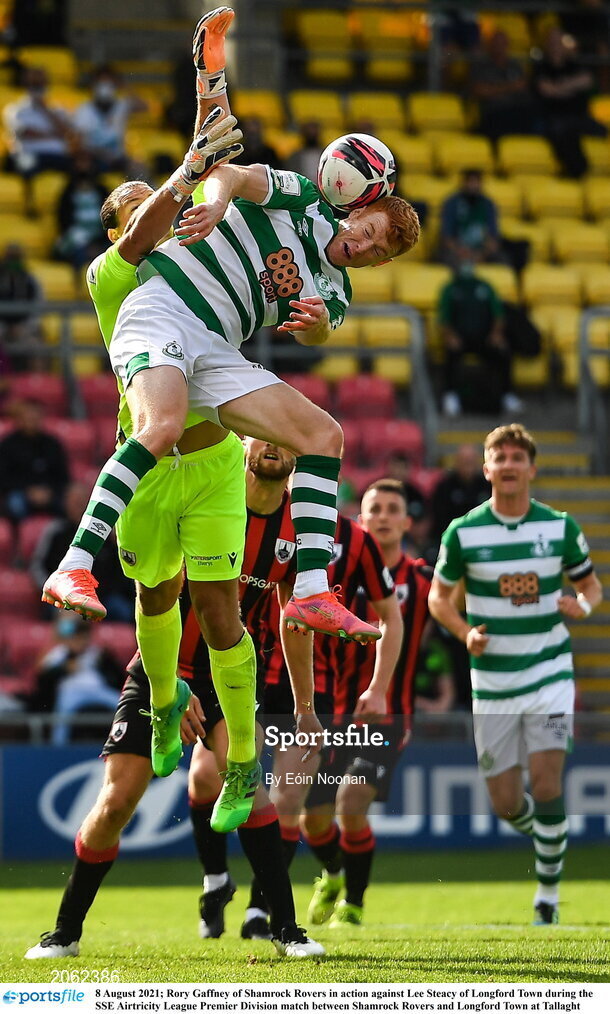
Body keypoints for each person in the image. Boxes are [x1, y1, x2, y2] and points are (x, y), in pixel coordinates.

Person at [42, 10, 419, 665]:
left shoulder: (337, 291)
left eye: (379, 249)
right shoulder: (302, 197)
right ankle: (74, 564)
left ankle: (309, 589)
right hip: (163, 308)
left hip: (216, 344)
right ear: (356, 207)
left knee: (323, 434)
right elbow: (230, 170)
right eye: (370, 227)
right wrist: (215, 197)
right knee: (157, 428)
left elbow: (324, 331)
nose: (365, 244)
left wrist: (315, 329)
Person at [45, 8, 260, 829]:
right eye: (135, 209)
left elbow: (212, 172)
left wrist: (208, 78)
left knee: (220, 612)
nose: (154, 216)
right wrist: (178, 173)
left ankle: (241, 761)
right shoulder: (111, 276)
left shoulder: (194, 261)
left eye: (155, 205)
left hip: (209, 465)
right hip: (143, 468)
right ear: (114, 230)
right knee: (155, 593)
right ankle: (166, 703)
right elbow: (149, 220)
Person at [24, 438, 324, 961]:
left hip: (227, 673)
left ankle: (286, 931)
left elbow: (294, 622)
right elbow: (157, 598)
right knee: (118, 801)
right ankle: (65, 933)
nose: (273, 442)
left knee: (246, 780)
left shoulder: (298, 531)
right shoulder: (205, 491)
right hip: (160, 668)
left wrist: (305, 706)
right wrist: (170, 687)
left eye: (284, 435)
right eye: (260, 433)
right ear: (242, 445)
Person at [428, 423, 602, 925]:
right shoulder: (463, 531)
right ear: (486, 469)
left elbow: (592, 588)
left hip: (549, 671)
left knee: (546, 784)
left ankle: (547, 895)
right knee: (506, 803)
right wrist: (464, 633)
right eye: (498, 457)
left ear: (531, 468)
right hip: (492, 680)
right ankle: (552, 835)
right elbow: (439, 598)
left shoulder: (560, 526)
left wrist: (581, 606)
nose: (507, 465)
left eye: (516, 457)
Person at [303, 479, 432, 927]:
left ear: (406, 521)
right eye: (373, 507)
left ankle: (353, 904)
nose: (382, 515)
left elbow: (454, 607)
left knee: (352, 800)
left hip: (387, 714)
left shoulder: (421, 580)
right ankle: (334, 874)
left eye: (392, 508)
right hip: (331, 711)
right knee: (312, 820)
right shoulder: (336, 578)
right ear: (360, 518)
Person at [30, 481, 134, 623]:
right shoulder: (56, 532)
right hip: (63, 597)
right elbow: (38, 566)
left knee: (127, 610)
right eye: (74, 501)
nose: (78, 505)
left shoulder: (103, 533)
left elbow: (118, 571)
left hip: (104, 597)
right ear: (65, 502)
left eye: (81, 501)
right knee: (67, 620)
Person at [438, 261, 522, 418]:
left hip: (484, 337)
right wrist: (450, 336)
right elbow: (444, 319)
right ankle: (450, 396)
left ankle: (506, 395)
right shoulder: (450, 288)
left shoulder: (485, 286)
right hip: (460, 338)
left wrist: (496, 334)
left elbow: (499, 315)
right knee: (451, 353)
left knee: (503, 351)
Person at [27, 613, 123, 745]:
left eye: (84, 637)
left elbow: (117, 677)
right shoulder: (60, 652)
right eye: (77, 637)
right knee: (63, 713)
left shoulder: (97, 653)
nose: (80, 641)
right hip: (72, 691)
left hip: (97, 690)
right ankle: (58, 745)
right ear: (71, 638)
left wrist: (106, 661)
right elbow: (41, 676)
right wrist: (63, 669)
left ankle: (128, 741)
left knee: (123, 704)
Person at [531, 26, 606, 178]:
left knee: (601, 129)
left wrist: (559, 87)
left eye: (559, 41)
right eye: (552, 41)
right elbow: (546, 90)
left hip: (580, 117)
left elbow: (587, 80)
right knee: (563, 131)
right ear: (546, 44)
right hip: (555, 117)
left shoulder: (574, 64)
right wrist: (570, 86)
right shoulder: (541, 67)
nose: (556, 45)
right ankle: (576, 171)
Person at [0, 398, 69, 522]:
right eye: (28, 416)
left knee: (70, 502)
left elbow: (63, 476)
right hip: (20, 492)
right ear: (19, 419)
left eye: (35, 416)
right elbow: (4, 479)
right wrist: (28, 491)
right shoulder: (7, 444)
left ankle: (61, 535)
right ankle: (18, 537)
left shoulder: (52, 443)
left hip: (49, 492)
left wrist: (49, 491)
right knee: (15, 504)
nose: (32, 419)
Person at [73, 65, 147, 175]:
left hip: (117, 158)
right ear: (93, 86)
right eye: (101, 84)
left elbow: (143, 107)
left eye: (109, 84)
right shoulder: (84, 110)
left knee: (139, 168)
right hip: (93, 157)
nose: (105, 87)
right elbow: (78, 140)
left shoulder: (122, 105)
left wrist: (124, 86)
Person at [470, 30, 532, 141]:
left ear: (507, 45)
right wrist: (510, 87)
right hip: (493, 113)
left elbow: (523, 86)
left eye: (502, 43)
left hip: (517, 112)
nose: (499, 47)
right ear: (490, 45)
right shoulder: (481, 67)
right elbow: (480, 91)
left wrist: (496, 89)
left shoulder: (515, 66)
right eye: (496, 43)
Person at [53, 151, 109, 270]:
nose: (84, 166)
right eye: (80, 162)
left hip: (100, 240)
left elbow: (111, 220)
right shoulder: (67, 192)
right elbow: (64, 222)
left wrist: (97, 244)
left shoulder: (102, 191)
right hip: (76, 240)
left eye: (86, 162)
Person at [439, 168, 503, 269]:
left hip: (481, 251)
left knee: (502, 261)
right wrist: (461, 252)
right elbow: (447, 238)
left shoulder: (488, 204)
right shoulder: (452, 203)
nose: (473, 185)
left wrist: (482, 254)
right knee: (447, 259)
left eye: (476, 182)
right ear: (463, 183)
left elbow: (493, 239)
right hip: (457, 251)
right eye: (470, 181)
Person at [431, 443, 491, 546]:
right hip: (451, 538)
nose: (468, 466)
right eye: (465, 461)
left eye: (470, 461)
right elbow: (439, 518)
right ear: (457, 462)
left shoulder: (487, 485)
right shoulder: (445, 486)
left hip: (483, 537)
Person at [0, 243, 42, 364]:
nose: (13, 262)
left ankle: (36, 381)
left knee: (37, 346)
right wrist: (5, 328)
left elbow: (38, 309)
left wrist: (23, 328)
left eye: (16, 258)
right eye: (10, 257)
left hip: (25, 330)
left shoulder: (31, 281)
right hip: (2, 330)